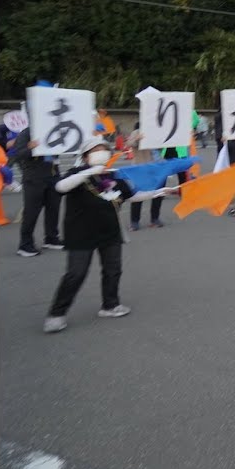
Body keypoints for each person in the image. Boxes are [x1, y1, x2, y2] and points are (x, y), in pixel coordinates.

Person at [42, 138, 178, 334]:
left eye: (104, 149)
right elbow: (61, 187)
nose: (101, 152)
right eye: (96, 149)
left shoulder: (114, 177)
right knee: (76, 274)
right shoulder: (76, 174)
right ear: (86, 156)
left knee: (113, 269)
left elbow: (131, 196)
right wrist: (88, 172)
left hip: (110, 231)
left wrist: (158, 192)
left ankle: (110, 305)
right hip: (81, 233)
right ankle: (57, 313)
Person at [10, 125, 64, 257]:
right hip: (34, 177)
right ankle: (25, 245)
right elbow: (18, 154)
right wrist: (30, 147)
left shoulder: (56, 129)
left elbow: (70, 148)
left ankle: (51, 238)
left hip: (53, 175)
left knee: (54, 209)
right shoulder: (27, 132)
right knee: (31, 212)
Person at [126, 122, 166, 231]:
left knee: (158, 194)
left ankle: (155, 218)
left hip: (159, 168)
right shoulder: (137, 132)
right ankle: (134, 222)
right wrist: (137, 139)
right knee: (139, 195)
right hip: (142, 168)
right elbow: (129, 143)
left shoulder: (160, 132)